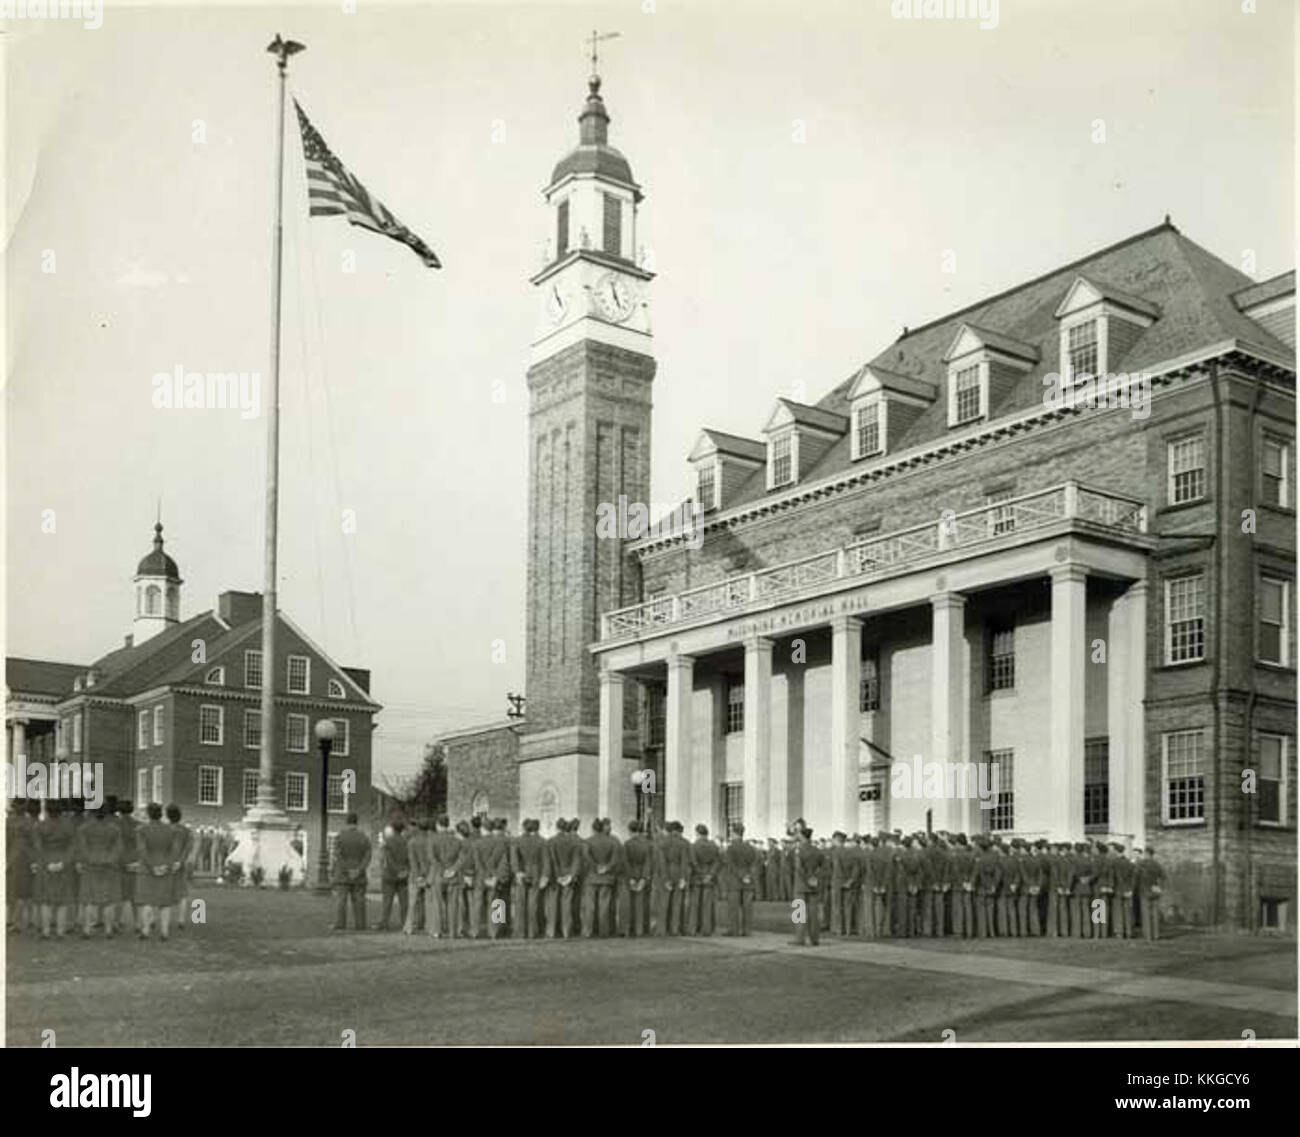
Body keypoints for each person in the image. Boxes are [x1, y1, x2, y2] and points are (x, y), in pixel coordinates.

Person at [73, 803, 122, 938]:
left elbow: (82, 848)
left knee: (89, 899)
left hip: (90, 865)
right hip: (109, 866)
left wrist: (90, 860)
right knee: (109, 899)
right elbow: (118, 848)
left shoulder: (83, 828)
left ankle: (87, 929)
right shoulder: (115, 829)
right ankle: (108, 930)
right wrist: (109, 860)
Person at [35, 800, 78, 939]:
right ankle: (60, 931)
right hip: (64, 861)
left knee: (46, 899)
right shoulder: (69, 826)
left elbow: (38, 847)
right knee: (63, 900)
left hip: (46, 861)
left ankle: (46, 931)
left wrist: (46, 862)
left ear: (46, 810)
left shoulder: (40, 825)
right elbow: (73, 846)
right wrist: (64, 863)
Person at [134, 802, 176, 940]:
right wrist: (166, 865)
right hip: (165, 867)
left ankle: (145, 930)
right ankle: (164, 932)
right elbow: (173, 850)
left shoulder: (141, 829)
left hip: (147, 868)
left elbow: (142, 850)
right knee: (164, 903)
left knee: (148, 901)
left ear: (148, 814)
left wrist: (152, 866)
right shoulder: (170, 830)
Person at [331, 812, 372, 930]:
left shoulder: (340, 837)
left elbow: (338, 855)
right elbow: (368, 856)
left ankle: (340, 925)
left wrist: (346, 869)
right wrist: (359, 870)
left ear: (347, 822)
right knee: (359, 901)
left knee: (341, 901)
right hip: (359, 875)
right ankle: (360, 925)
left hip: (343, 875)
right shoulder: (364, 837)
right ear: (356, 822)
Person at [511, 817, 549, 939]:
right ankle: (532, 931)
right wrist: (545, 875)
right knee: (533, 904)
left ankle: (515, 930)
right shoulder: (542, 841)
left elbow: (514, 859)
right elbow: (546, 860)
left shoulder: (516, 841)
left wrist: (517, 871)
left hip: (520, 873)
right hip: (535, 873)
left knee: (517, 904)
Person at [723, 823, 760, 936]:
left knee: (733, 908)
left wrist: (741, 875)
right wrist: (748, 875)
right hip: (748, 881)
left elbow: (731, 865)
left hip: (735, 881)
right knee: (747, 908)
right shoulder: (751, 848)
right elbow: (755, 863)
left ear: (734, 833)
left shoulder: (730, 848)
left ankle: (734, 930)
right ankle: (747, 930)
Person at [655, 820, 690, 936]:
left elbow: (662, 862)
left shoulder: (662, 843)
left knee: (664, 903)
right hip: (679, 872)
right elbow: (685, 861)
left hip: (667, 872)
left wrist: (665, 879)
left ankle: (662, 929)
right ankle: (675, 929)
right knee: (677, 903)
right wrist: (683, 877)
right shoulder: (684, 843)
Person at [427, 816, 461, 939]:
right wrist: (453, 870)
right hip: (453, 876)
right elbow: (461, 858)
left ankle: (437, 930)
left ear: (438, 825)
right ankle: (453, 932)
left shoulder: (433, 840)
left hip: (439, 875)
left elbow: (432, 858)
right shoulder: (457, 841)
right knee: (453, 904)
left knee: (438, 904)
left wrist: (442, 870)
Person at [792, 827, 825, 947]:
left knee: (799, 913)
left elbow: (799, 868)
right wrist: (814, 878)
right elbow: (824, 867)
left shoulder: (799, 850)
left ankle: (799, 938)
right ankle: (814, 938)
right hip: (814, 885)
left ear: (802, 836)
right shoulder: (817, 850)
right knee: (813, 913)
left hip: (801, 885)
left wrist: (807, 879)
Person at [621, 820, 654, 937]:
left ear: (630, 830)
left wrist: (631, 878)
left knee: (628, 903)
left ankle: (627, 929)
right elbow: (648, 862)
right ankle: (640, 930)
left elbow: (625, 862)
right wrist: (643, 879)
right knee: (641, 904)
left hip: (630, 874)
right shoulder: (647, 844)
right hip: (642, 873)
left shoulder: (627, 844)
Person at [687, 823, 720, 936]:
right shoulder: (714, 846)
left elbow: (693, 862)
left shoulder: (694, 846)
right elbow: (717, 862)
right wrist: (710, 875)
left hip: (697, 877)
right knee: (707, 905)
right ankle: (707, 929)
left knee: (695, 905)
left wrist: (701, 874)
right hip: (709, 878)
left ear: (697, 833)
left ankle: (693, 928)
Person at [165, 804, 194, 933]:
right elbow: (188, 847)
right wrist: (181, 861)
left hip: (167, 863)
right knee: (182, 893)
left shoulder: (165, 830)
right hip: (180, 864)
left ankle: (164, 919)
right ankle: (181, 920)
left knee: (166, 892)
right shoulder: (186, 831)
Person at [377, 818, 411, 932]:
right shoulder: (406, 842)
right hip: (404, 875)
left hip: (390, 875)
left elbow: (388, 859)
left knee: (387, 901)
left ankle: (384, 923)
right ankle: (405, 923)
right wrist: (404, 870)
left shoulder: (388, 842)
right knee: (404, 902)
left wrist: (396, 870)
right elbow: (409, 859)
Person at [403, 818, 433, 935]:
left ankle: (409, 926)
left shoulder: (412, 842)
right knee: (428, 903)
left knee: (413, 903)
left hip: (415, 876)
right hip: (430, 875)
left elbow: (413, 861)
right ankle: (428, 926)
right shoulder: (431, 840)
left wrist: (418, 875)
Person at [1137, 846, 1165, 941]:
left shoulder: (1141, 864)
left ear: (1147, 854)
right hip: (1155, 890)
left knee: (1146, 914)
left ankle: (1148, 936)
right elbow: (1164, 877)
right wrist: (1160, 887)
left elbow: (1136, 877)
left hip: (1145, 890)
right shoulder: (1157, 864)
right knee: (1155, 913)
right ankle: (1156, 935)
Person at [1112, 842, 1136, 940]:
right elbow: (1133, 878)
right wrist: (1131, 889)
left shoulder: (1114, 863)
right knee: (1128, 911)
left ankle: (1119, 932)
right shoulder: (1129, 863)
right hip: (1128, 889)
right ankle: (1129, 931)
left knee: (1118, 912)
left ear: (1116, 851)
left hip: (1117, 889)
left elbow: (1113, 877)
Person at [1048, 842, 1072, 937]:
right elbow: (1070, 875)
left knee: (1053, 909)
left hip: (1055, 887)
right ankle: (1064, 931)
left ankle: (1054, 931)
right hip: (1065, 887)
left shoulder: (1055, 860)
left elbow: (1055, 874)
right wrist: (1067, 887)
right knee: (1063, 909)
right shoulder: (1069, 860)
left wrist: (1058, 886)